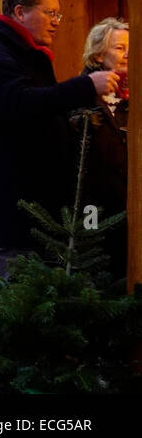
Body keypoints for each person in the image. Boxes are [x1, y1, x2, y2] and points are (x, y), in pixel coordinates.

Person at [0, 0, 116, 281]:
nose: (56, 22)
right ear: (20, 12)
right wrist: (85, 86)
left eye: (58, 14)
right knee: (8, 302)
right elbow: (21, 103)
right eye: (49, 13)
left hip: (30, 205)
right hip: (9, 205)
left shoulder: (20, 51)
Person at [77, 18, 129, 278]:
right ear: (98, 54)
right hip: (94, 207)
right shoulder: (81, 95)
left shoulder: (131, 94)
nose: (128, 54)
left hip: (127, 206)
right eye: (120, 48)